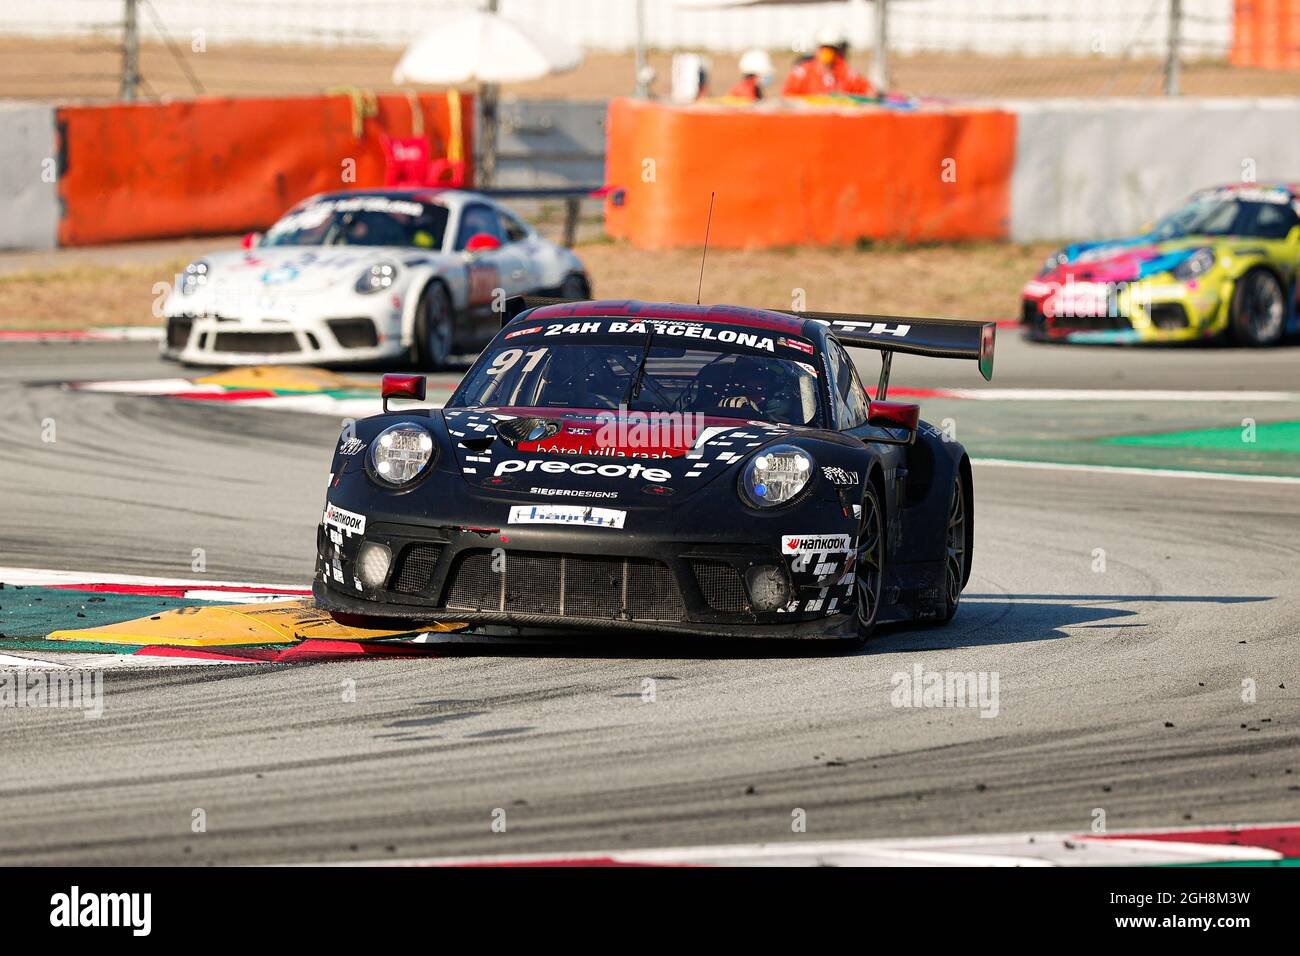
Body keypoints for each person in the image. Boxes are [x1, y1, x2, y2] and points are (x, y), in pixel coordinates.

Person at [781, 27, 875, 97]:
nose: (828, 52)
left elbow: (868, 91)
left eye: (832, 49)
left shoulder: (845, 73)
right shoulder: (802, 73)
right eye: (825, 48)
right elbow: (787, 97)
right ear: (818, 49)